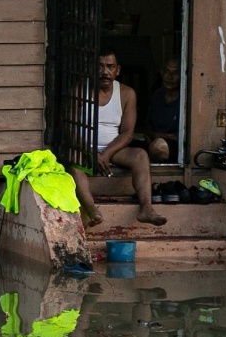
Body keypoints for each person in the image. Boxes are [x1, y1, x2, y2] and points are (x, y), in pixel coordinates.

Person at [69, 49, 168, 227]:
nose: (104, 71)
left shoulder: (126, 93)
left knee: (140, 156)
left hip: (113, 150)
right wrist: (90, 152)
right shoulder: (79, 89)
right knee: (74, 164)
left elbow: (127, 133)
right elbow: (70, 127)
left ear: (118, 70)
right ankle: (92, 210)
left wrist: (105, 154)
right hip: (83, 150)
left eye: (110, 66)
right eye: (99, 66)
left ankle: (146, 209)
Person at [147, 58, 181, 162]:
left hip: (173, 147)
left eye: (175, 73)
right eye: (166, 71)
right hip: (153, 140)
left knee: (158, 147)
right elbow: (148, 127)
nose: (169, 77)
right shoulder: (158, 94)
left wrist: (161, 137)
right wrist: (154, 135)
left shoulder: (185, 98)